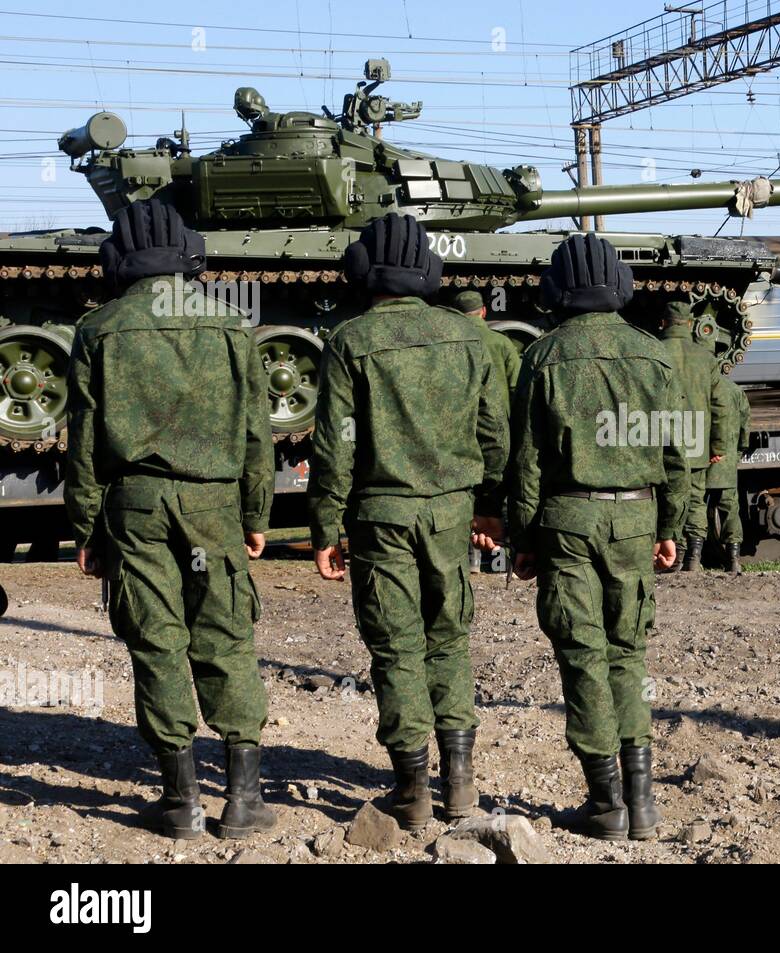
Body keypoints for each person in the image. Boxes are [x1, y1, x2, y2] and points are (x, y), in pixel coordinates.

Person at [64, 198, 275, 841]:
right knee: (227, 637)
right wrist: (255, 513)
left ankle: (181, 801)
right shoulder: (231, 326)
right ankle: (242, 799)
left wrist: (87, 527)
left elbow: (85, 440)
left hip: (136, 506)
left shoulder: (99, 329)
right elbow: (255, 434)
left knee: (157, 642)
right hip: (213, 503)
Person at [308, 212, 508, 829]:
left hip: (380, 515)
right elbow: (494, 435)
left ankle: (413, 790)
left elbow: (335, 445)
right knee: (448, 639)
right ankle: (463, 785)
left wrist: (326, 527)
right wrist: (491, 508)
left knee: (396, 648)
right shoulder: (474, 340)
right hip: (450, 513)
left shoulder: (349, 340)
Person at [510, 234, 688, 841]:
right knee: (628, 655)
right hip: (637, 522)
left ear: (557, 289)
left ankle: (605, 803)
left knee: (583, 657)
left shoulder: (543, 358)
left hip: (567, 523)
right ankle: (644, 806)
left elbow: (527, 462)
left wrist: (525, 537)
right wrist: (670, 528)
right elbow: (676, 456)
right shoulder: (655, 357)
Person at [452, 289, 521, 573]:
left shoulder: (453, 343)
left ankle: (469, 561)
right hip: (498, 431)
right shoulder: (502, 343)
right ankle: (498, 559)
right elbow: (518, 388)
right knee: (497, 492)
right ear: (483, 312)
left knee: (465, 494)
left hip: (460, 433)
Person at [657, 301, 726, 571]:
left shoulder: (654, 351)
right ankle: (693, 557)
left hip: (662, 440)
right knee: (696, 498)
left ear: (663, 322)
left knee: (666, 496)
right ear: (689, 324)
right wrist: (717, 444)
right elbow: (719, 405)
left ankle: (671, 554)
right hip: (698, 439)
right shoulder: (706, 358)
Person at [705, 373, 750, 574]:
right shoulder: (735, 390)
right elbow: (744, 427)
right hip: (726, 457)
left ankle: (690, 559)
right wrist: (737, 452)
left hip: (699, 459)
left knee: (694, 506)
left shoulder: (699, 387)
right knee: (729, 507)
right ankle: (733, 558)